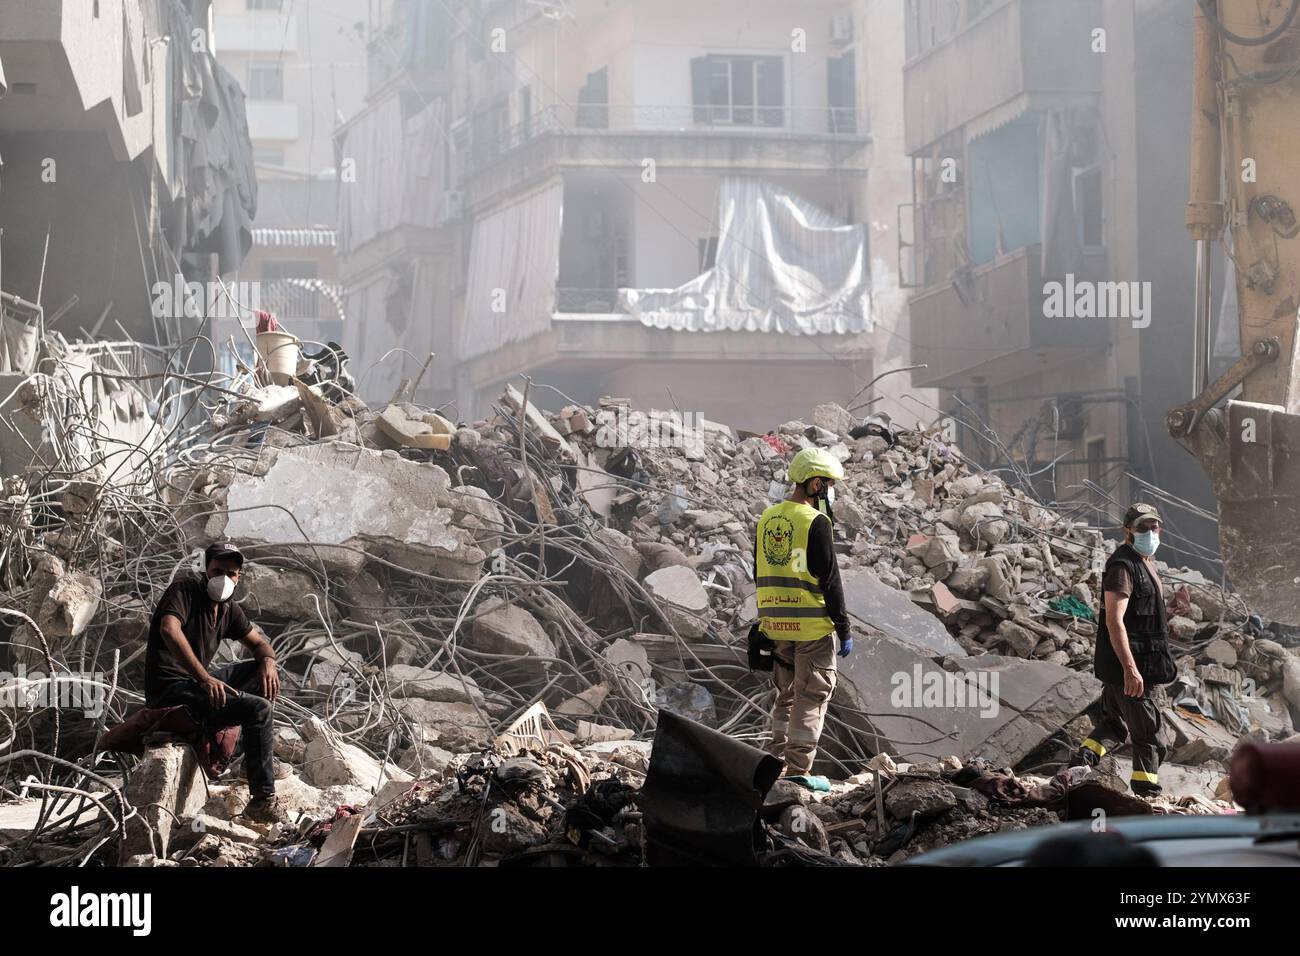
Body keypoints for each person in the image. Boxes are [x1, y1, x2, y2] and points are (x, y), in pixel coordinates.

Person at [144, 542, 284, 822]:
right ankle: (262, 800)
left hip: (197, 686)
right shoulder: (184, 591)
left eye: (230, 573)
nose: (223, 579)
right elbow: (169, 630)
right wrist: (204, 678)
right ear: (205, 570)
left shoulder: (228, 609)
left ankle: (251, 762)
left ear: (238, 577)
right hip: (173, 691)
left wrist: (268, 661)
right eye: (217, 570)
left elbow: (259, 644)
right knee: (258, 709)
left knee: (262, 675)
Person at [754, 447, 853, 777]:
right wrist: (844, 628)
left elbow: (759, 571)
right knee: (811, 697)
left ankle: (774, 765)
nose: (830, 489)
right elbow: (830, 580)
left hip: (775, 626)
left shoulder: (767, 519)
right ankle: (797, 773)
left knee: (785, 696)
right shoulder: (815, 521)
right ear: (814, 484)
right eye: (828, 483)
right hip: (811, 629)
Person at [1070, 504, 1175, 796]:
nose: (1149, 532)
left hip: (1133, 667)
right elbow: (1114, 621)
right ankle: (1147, 795)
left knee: (1114, 727)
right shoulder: (1123, 567)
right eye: (1142, 527)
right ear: (1128, 531)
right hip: (1133, 670)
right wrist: (1130, 669)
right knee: (1151, 738)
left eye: (1153, 527)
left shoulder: (1142, 562)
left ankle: (1077, 767)